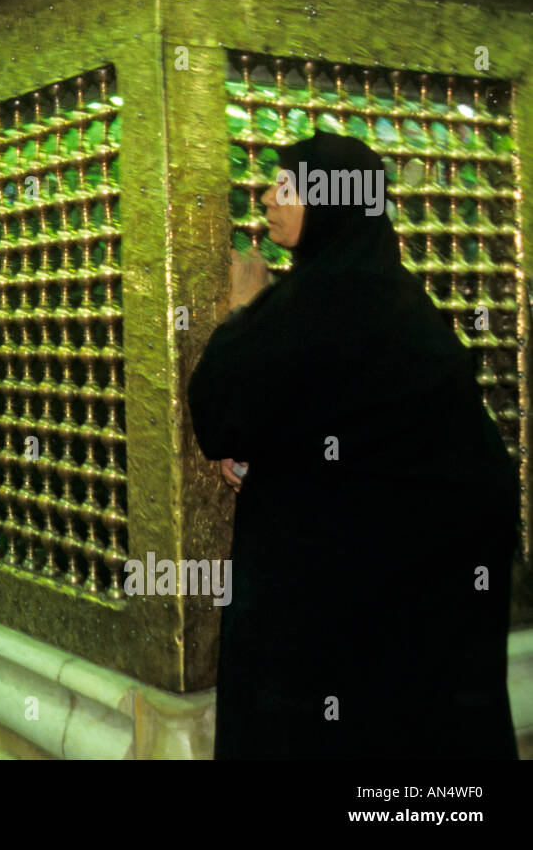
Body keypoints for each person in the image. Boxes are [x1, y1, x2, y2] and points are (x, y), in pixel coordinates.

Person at [188, 130, 519, 759]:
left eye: (286, 186)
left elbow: (220, 412)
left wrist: (239, 309)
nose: (264, 197)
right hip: (417, 617)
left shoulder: (307, 303)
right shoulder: (397, 298)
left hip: (334, 623)